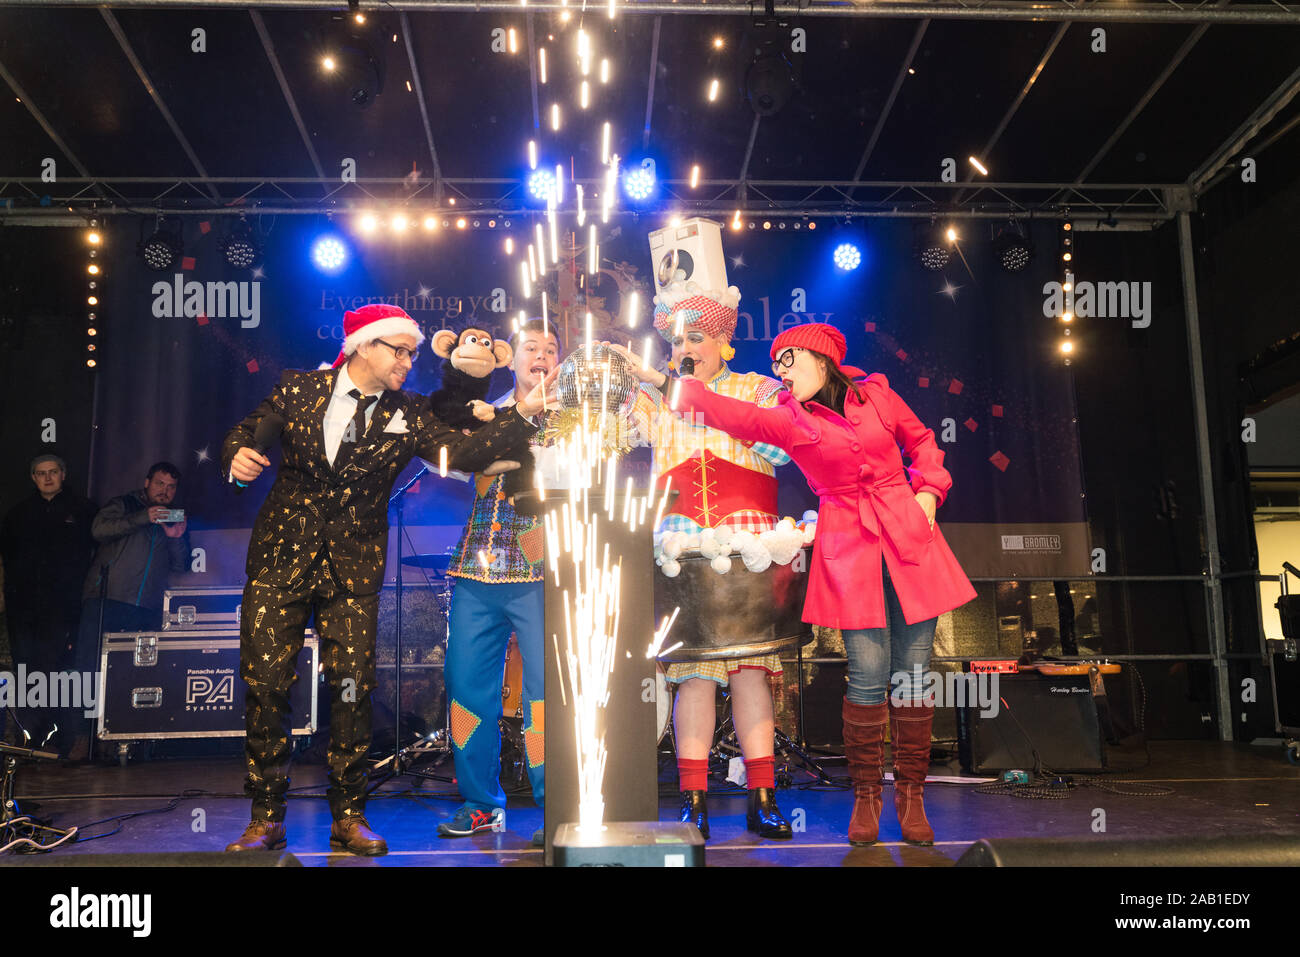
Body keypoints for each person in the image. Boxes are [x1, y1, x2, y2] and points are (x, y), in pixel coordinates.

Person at [221, 304, 556, 857]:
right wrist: (236, 456)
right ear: (362, 347)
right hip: (281, 561)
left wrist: (519, 415)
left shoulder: (411, 412)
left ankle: (349, 816)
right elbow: (246, 433)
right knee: (266, 687)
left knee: (353, 692)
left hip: (353, 569)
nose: (408, 361)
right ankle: (265, 816)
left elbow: (464, 454)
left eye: (412, 352)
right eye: (397, 350)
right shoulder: (298, 390)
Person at [672, 322, 977, 846]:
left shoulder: (876, 395)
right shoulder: (790, 419)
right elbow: (734, 414)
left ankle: (911, 796)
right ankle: (866, 795)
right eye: (776, 366)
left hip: (908, 536)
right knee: (867, 673)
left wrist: (928, 491)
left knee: (914, 674)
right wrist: (680, 382)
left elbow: (923, 441)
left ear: (820, 357)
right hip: (849, 545)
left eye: (789, 361)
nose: (782, 374)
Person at [610, 289, 794, 841]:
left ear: (724, 344)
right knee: (693, 676)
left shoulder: (759, 389)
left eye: (697, 338)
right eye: (678, 341)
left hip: (749, 546)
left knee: (750, 673)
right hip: (681, 550)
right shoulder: (650, 400)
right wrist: (616, 383)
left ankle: (762, 796)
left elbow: (787, 449)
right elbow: (608, 441)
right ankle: (693, 800)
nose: (686, 348)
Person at [437, 318, 561, 841]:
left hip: (542, 567)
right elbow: (458, 461)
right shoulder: (485, 412)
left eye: (550, 349)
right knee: (466, 690)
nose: (541, 355)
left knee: (541, 694)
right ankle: (481, 802)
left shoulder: (576, 417)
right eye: (531, 346)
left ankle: (557, 803)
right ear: (512, 359)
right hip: (477, 566)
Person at [76, 461, 191, 751]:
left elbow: (182, 565)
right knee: (90, 671)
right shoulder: (125, 504)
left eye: (171, 487)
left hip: (146, 609)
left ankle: (125, 742)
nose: (165, 492)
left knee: (133, 676)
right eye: (159, 484)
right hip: (107, 600)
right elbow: (98, 530)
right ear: (146, 482)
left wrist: (175, 539)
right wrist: (143, 517)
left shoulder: (173, 518)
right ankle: (79, 740)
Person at [0, 454, 97, 755]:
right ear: (32, 477)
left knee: (65, 673)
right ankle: (30, 742)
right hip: (25, 610)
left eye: (53, 472)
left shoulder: (84, 510)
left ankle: (65, 741)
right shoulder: (18, 514)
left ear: (63, 474)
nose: (47, 478)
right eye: (40, 473)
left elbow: (100, 551)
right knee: (28, 672)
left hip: (67, 608)